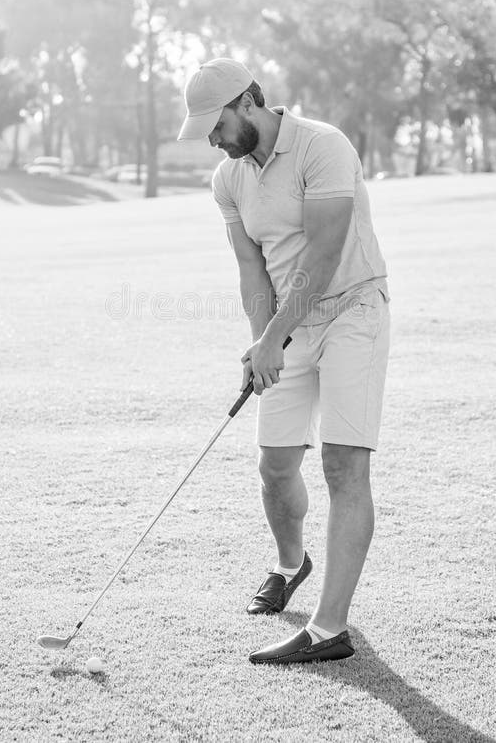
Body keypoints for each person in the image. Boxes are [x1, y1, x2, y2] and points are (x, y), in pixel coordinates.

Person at [177, 57, 390, 665]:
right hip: (288, 326)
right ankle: (290, 564)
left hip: (354, 311)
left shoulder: (324, 146)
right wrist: (261, 345)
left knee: (344, 466)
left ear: (248, 102)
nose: (212, 140)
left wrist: (274, 338)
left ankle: (329, 630)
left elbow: (322, 256)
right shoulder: (229, 177)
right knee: (275, 467)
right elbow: (252, 267)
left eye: (215, 125)